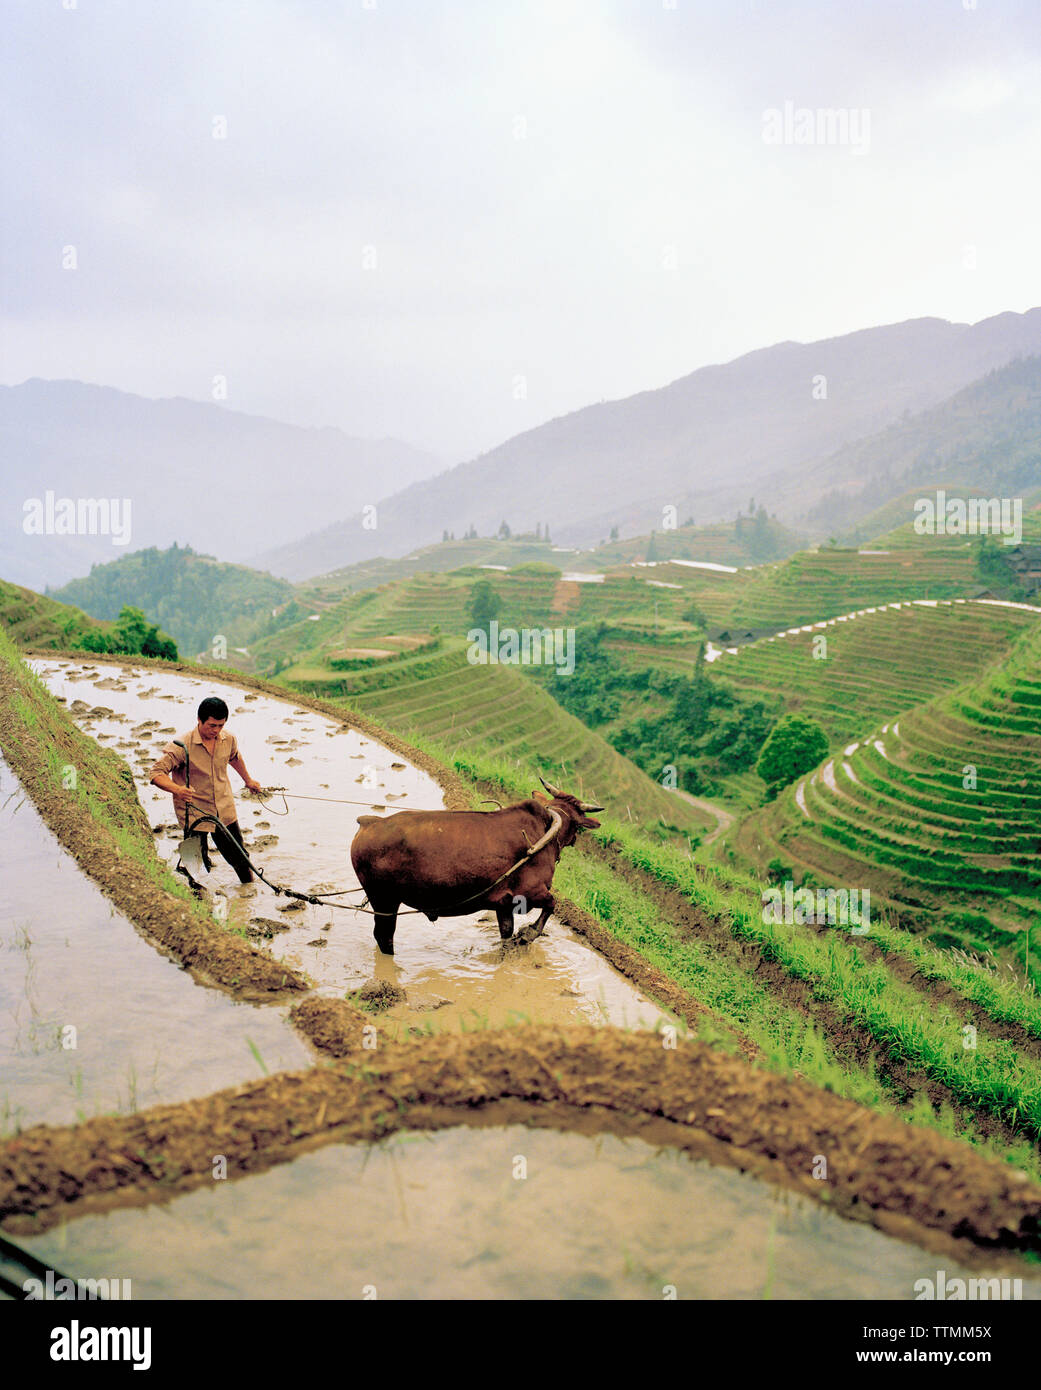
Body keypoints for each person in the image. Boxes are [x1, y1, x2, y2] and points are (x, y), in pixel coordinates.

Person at [149, 695, 262, 885]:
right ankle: (199, 902)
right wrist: (177, 790)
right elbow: (155, 773)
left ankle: (249, 892)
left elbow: (234, 758)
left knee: (240, 857)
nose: (216, 731)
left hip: (224, 809)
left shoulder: (229, 739)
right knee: (196, 864)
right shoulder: (181, 746)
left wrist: (248, 780)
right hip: (195, 812)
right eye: (211, 725)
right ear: (199, 720)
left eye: (220, 725)